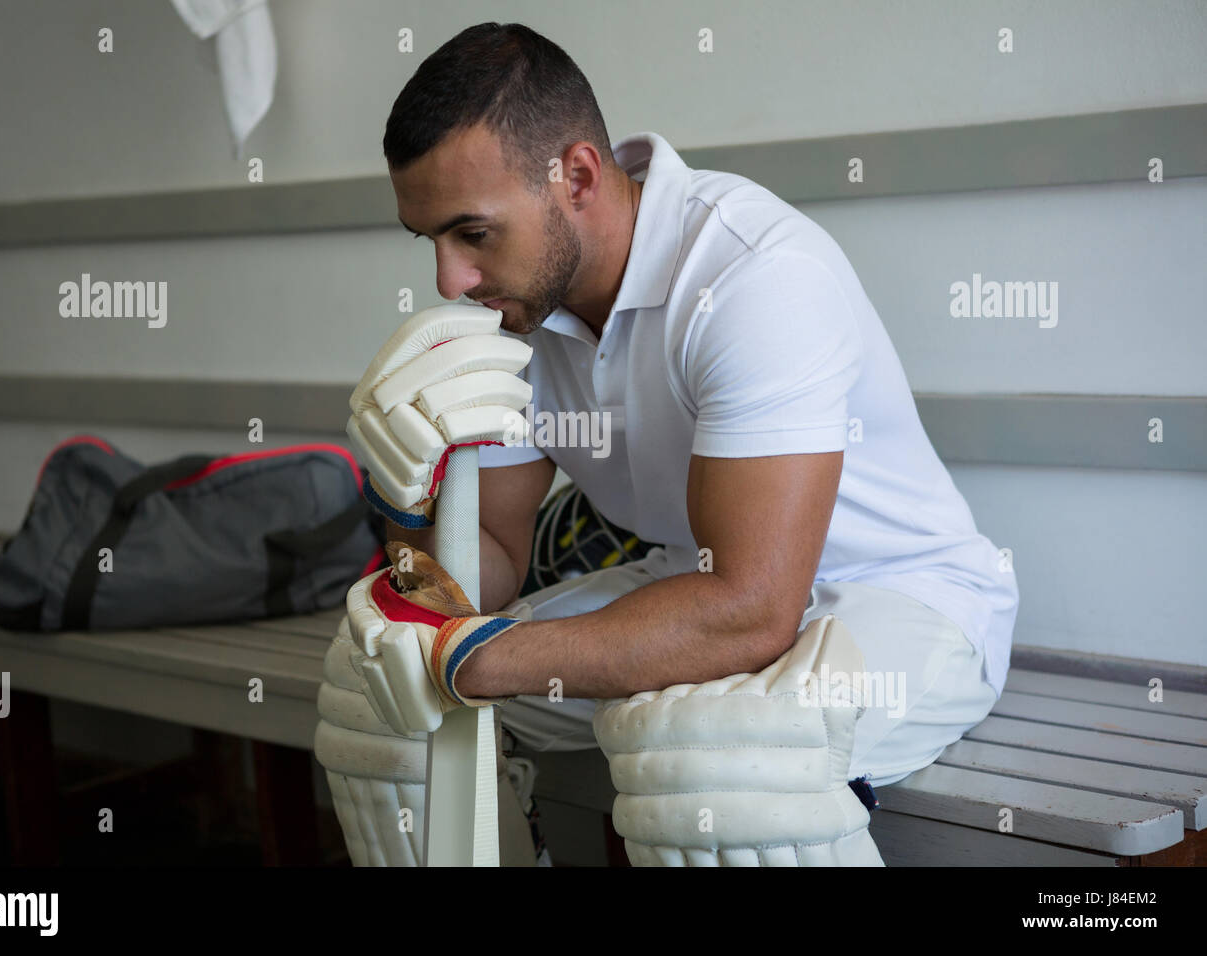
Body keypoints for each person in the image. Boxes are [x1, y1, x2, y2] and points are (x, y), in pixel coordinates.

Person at [333, 21, 1019, 867]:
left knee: (712, 755)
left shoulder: (752, 275)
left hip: (900, 596)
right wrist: (404, 501)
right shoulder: (508, 315)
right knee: (377, 694)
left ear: (577, 175)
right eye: (430, 240)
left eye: (472, 234)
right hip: (700, 582)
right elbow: (496, 558)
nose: (448, 280)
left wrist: (474, 656)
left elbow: (754, 609)